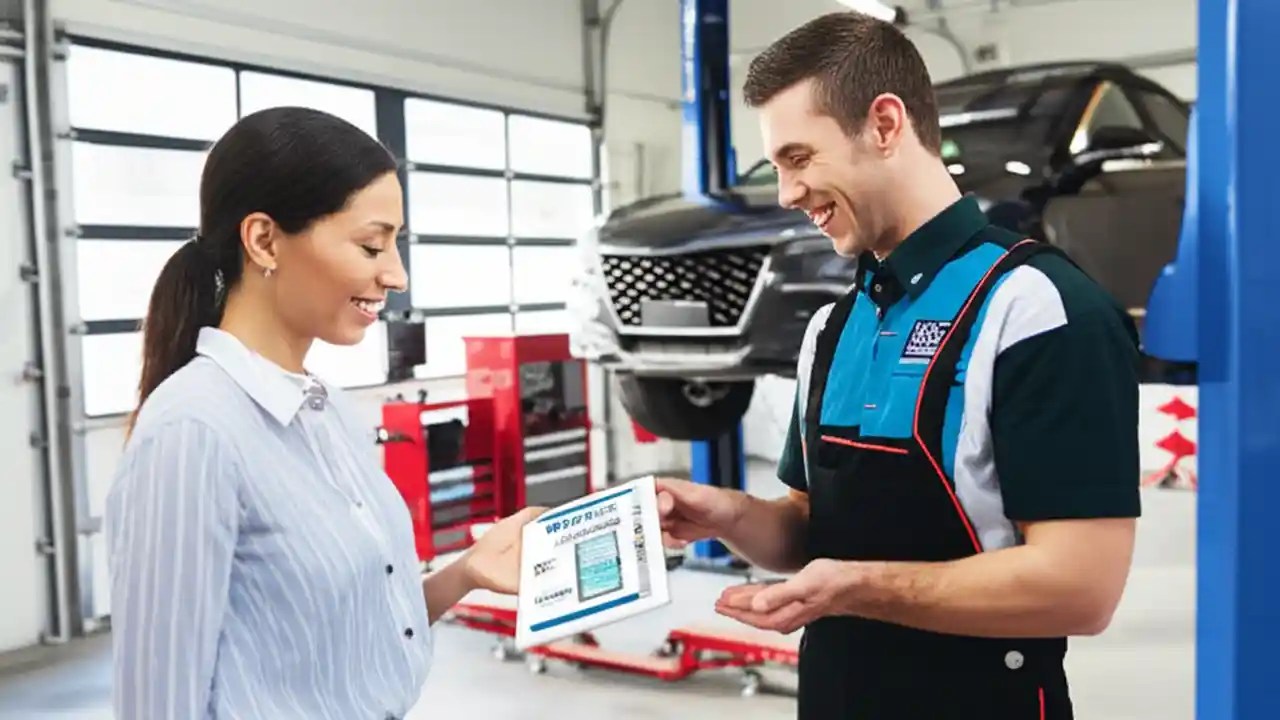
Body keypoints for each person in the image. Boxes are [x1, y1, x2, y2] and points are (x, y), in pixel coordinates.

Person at [655, 12, 1141, 719]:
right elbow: (810, 526)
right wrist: (729, 514)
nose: (787, 193)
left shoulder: (1036, 309)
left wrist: (854, 589)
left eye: (799, 158)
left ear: (884, 124)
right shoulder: (832, 328)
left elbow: (1080, 588)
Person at [104, 106, 543, 720]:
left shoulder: (326, 410)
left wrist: (467, 571)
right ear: (264, 240)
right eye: (371, 245)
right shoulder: (193, 432)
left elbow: (342, 637)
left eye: (395, 243)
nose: (396, 274)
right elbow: (157, 704)